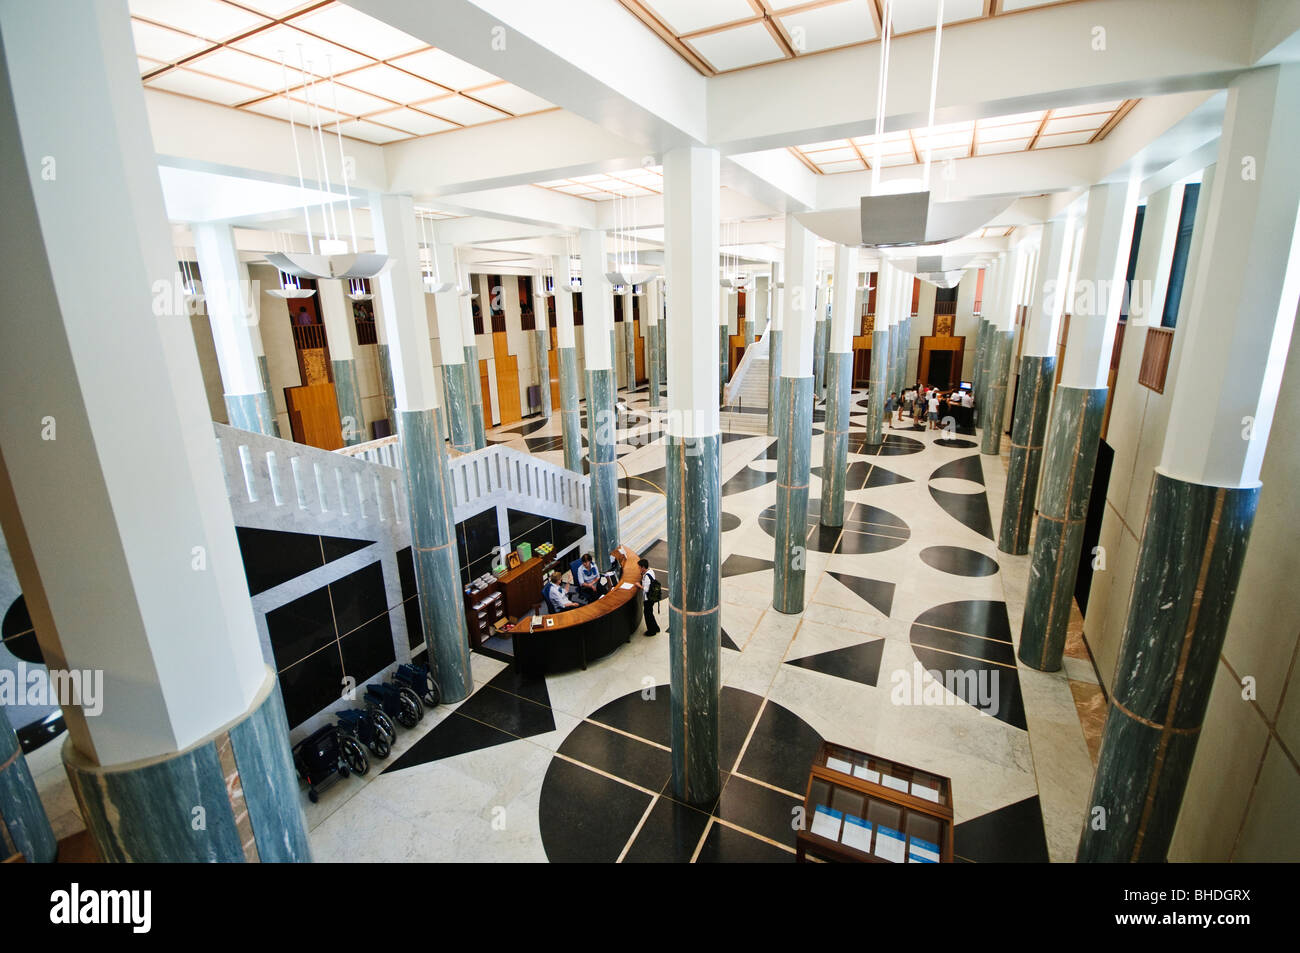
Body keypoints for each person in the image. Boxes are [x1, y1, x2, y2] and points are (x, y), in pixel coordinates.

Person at [638, 558, 660, 636]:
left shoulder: (647, 576)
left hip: (648, 599)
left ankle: (651, 631)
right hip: (653, 597)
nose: (639, 569)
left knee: (647, 614)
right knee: (650, 613)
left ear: (643, 567)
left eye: (639, 567)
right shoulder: (650, 571)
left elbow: (646, 589)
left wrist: (639, 585)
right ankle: (656, 627)